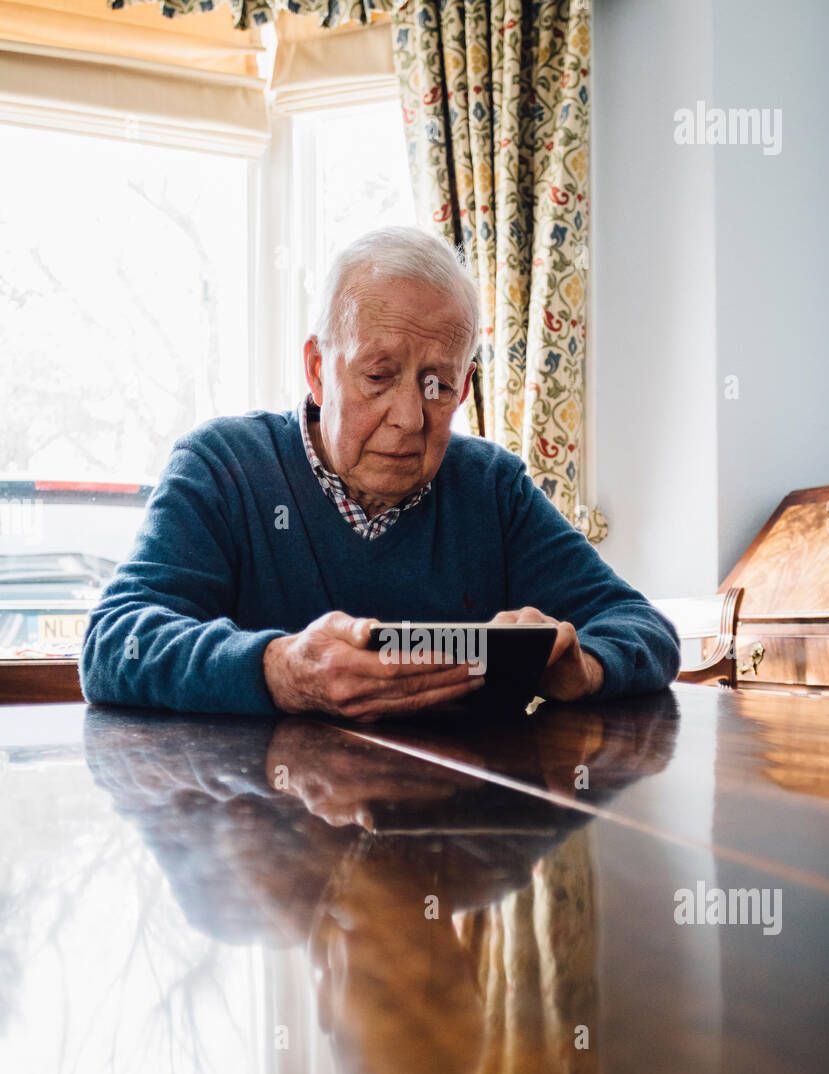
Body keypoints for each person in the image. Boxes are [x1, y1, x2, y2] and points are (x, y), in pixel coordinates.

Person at [79, 226, 679, 719]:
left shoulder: (492, 488)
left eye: (438, 384)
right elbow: (113, 643)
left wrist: (583, 668)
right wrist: (279, 669)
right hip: (270, 838)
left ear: (465, 386)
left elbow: (644, 628)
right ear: (318, 370)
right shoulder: (223, 467)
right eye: (378, 375)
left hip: (461, 839)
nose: (411, 417)